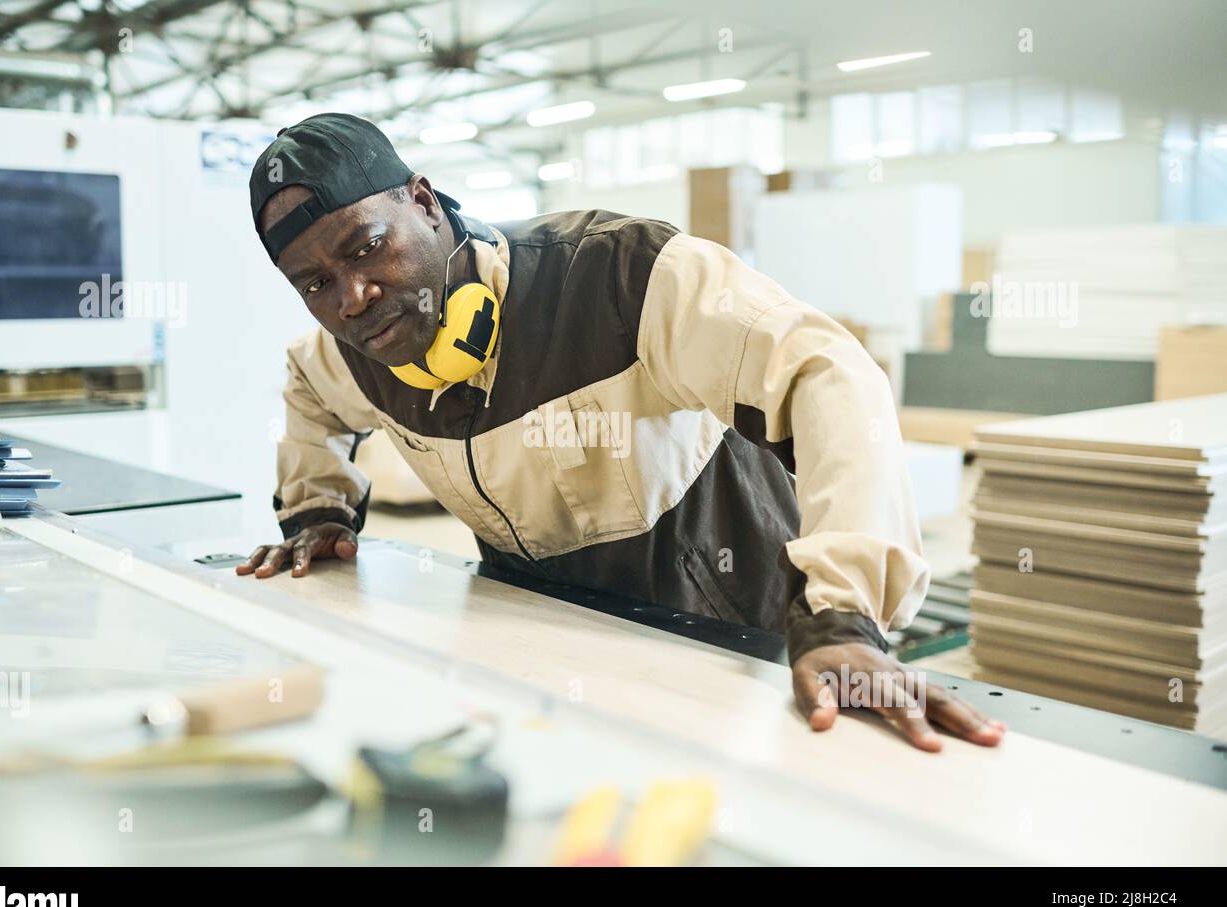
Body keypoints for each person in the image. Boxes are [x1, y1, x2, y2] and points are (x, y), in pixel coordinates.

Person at [237, 113, 1005, 752]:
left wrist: (844, 615)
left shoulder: (621, 278)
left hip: (750, 654)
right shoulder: (354, 350)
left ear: (426, 201)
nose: (352, 297)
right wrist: (318, 512)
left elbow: (833, 377)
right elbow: (308, 393)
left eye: (367, 247)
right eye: (314, 284)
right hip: (549, 658)